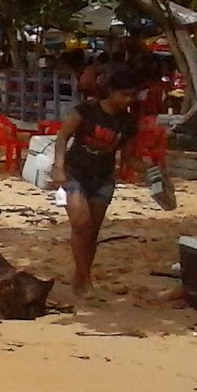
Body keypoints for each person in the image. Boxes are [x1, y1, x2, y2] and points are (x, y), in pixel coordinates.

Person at [51, 66, 140, 299]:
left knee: (91, 233)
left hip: (103, 178)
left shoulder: (128, 122)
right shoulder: (87, 110)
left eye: (132, 95)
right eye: (124, 94)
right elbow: (62, 136)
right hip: (74, 173)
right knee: (81, 223)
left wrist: (151, 169)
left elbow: (129, 156)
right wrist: (58, 166)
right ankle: (85, 279)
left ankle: (81, 279)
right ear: (111, 91)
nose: (128, 100)